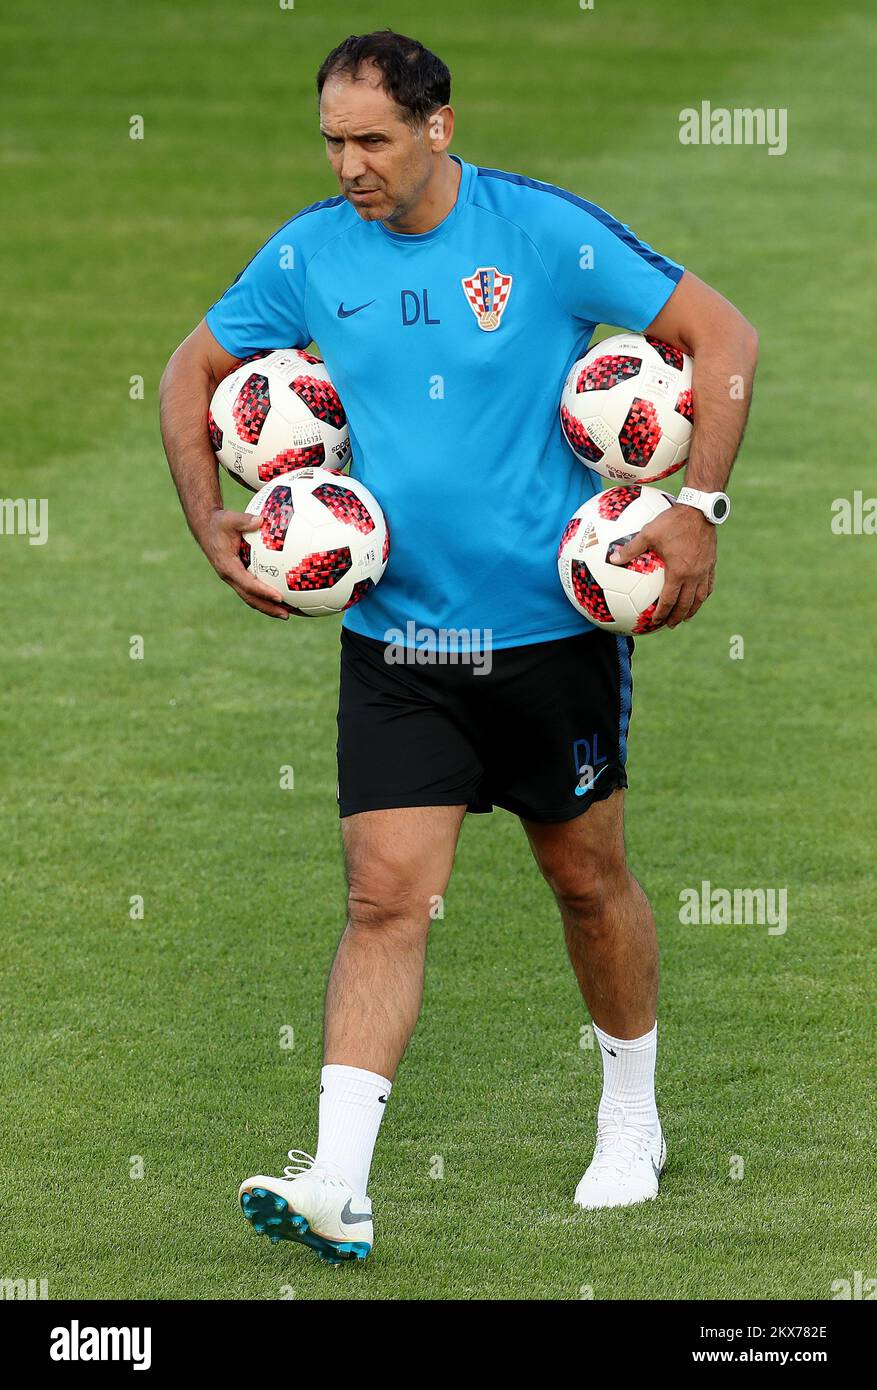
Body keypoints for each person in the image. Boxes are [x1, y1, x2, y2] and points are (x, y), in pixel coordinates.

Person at [159, 28, 758, 1265]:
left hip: (552, 636)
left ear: (438, 124)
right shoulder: (312, 253)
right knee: (384, 896)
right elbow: (189, 369)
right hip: (397, 642)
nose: (349, 165)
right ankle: (338, 1180)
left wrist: (694, 511)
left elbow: (724, 337)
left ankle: (630, 1118)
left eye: (371, 138)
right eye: (332, 139)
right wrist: (208, 522)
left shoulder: (538, 233)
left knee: (586, 883)